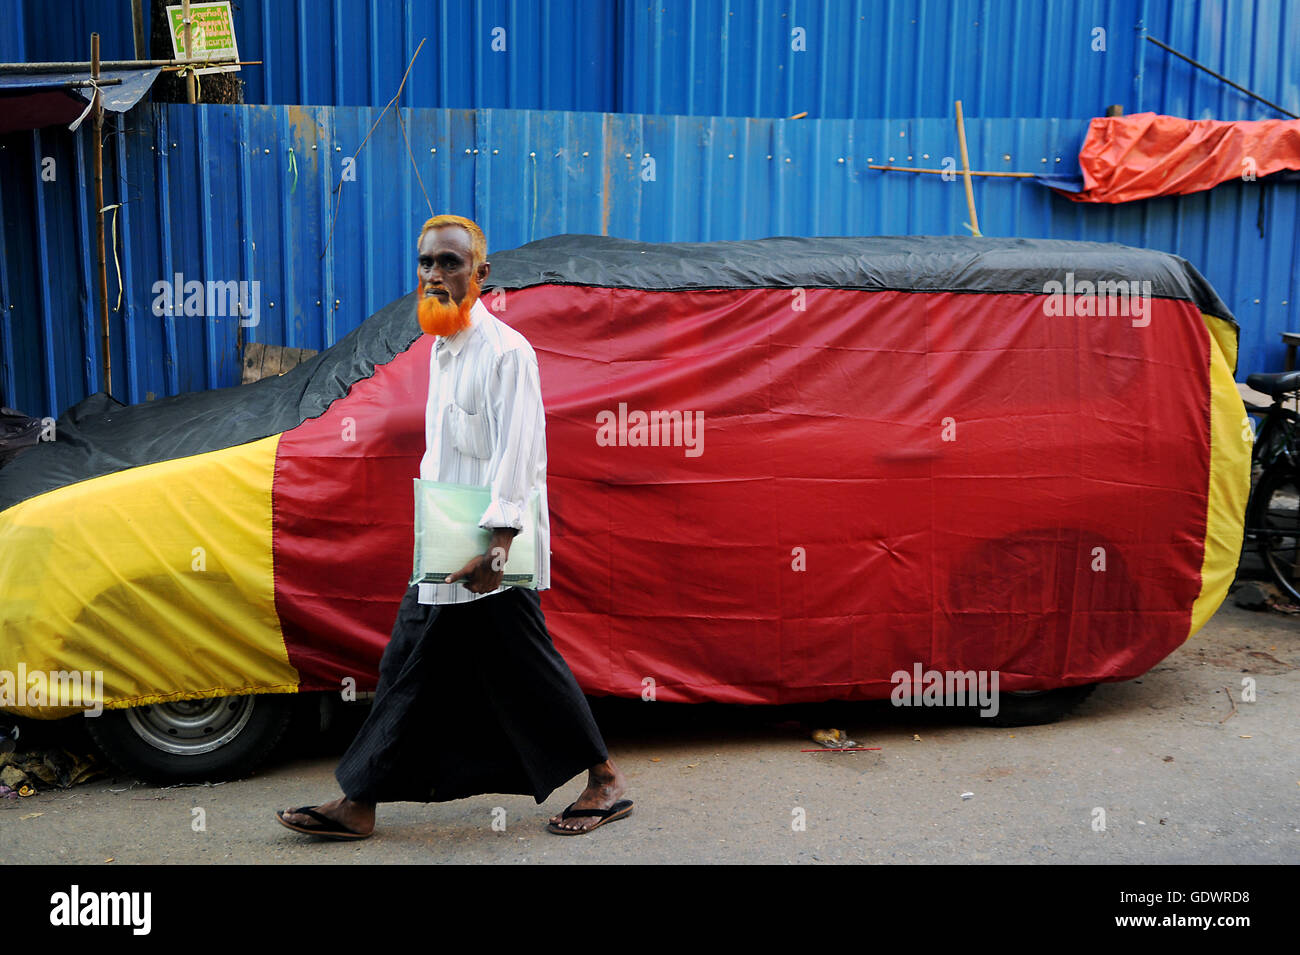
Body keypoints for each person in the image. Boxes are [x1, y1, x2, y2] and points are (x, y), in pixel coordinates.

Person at [276, 214, 630, 839]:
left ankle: (603, 780)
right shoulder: (441, 346)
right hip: (446, 544)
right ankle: (361, 799)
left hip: (489, 550)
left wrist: (496, 548)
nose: (435, 275)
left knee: (514, 664)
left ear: (481, 274)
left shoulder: (505, 352)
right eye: (427, 264)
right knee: (412, 660)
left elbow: (520, 454)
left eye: (450, 263)